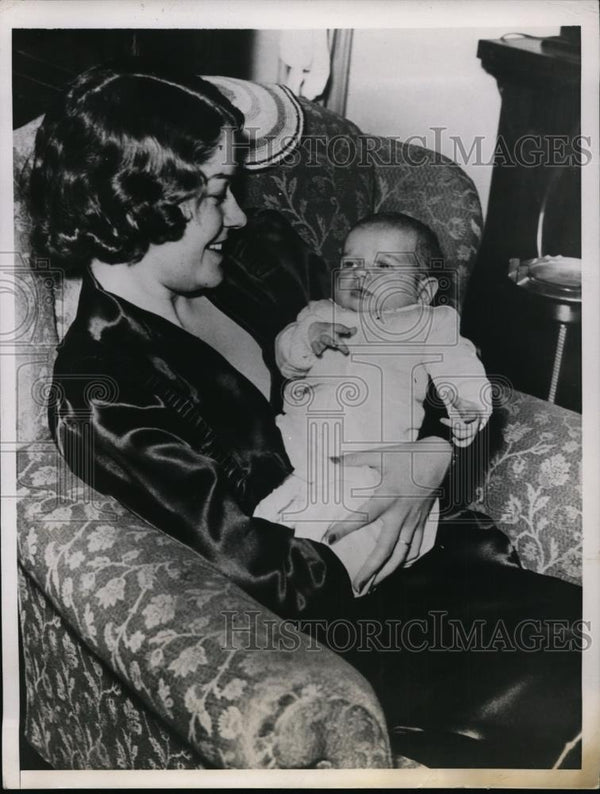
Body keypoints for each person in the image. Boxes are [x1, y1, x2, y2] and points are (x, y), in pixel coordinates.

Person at [29, 60, 581, 768]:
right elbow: (259, 576)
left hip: (439, 558)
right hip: (348, 629)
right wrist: (396, 491)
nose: (239, 213)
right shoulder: (108, 388)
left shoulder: (259, 264)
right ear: (142, 200)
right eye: (220, 192)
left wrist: (433, 457)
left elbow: (418, 351)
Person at [255, 213, 492, 595]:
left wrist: (467, 406)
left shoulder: (429, 323)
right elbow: (284, 355)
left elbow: (461, 367)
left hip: (377, 476)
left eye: (383, 266)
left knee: (348, 556)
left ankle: (342, 601)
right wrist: (308, 338)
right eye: (350, 263)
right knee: (267, 536)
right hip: (299, 466)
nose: (361, 275)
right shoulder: (318, 314)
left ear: (424, 291)